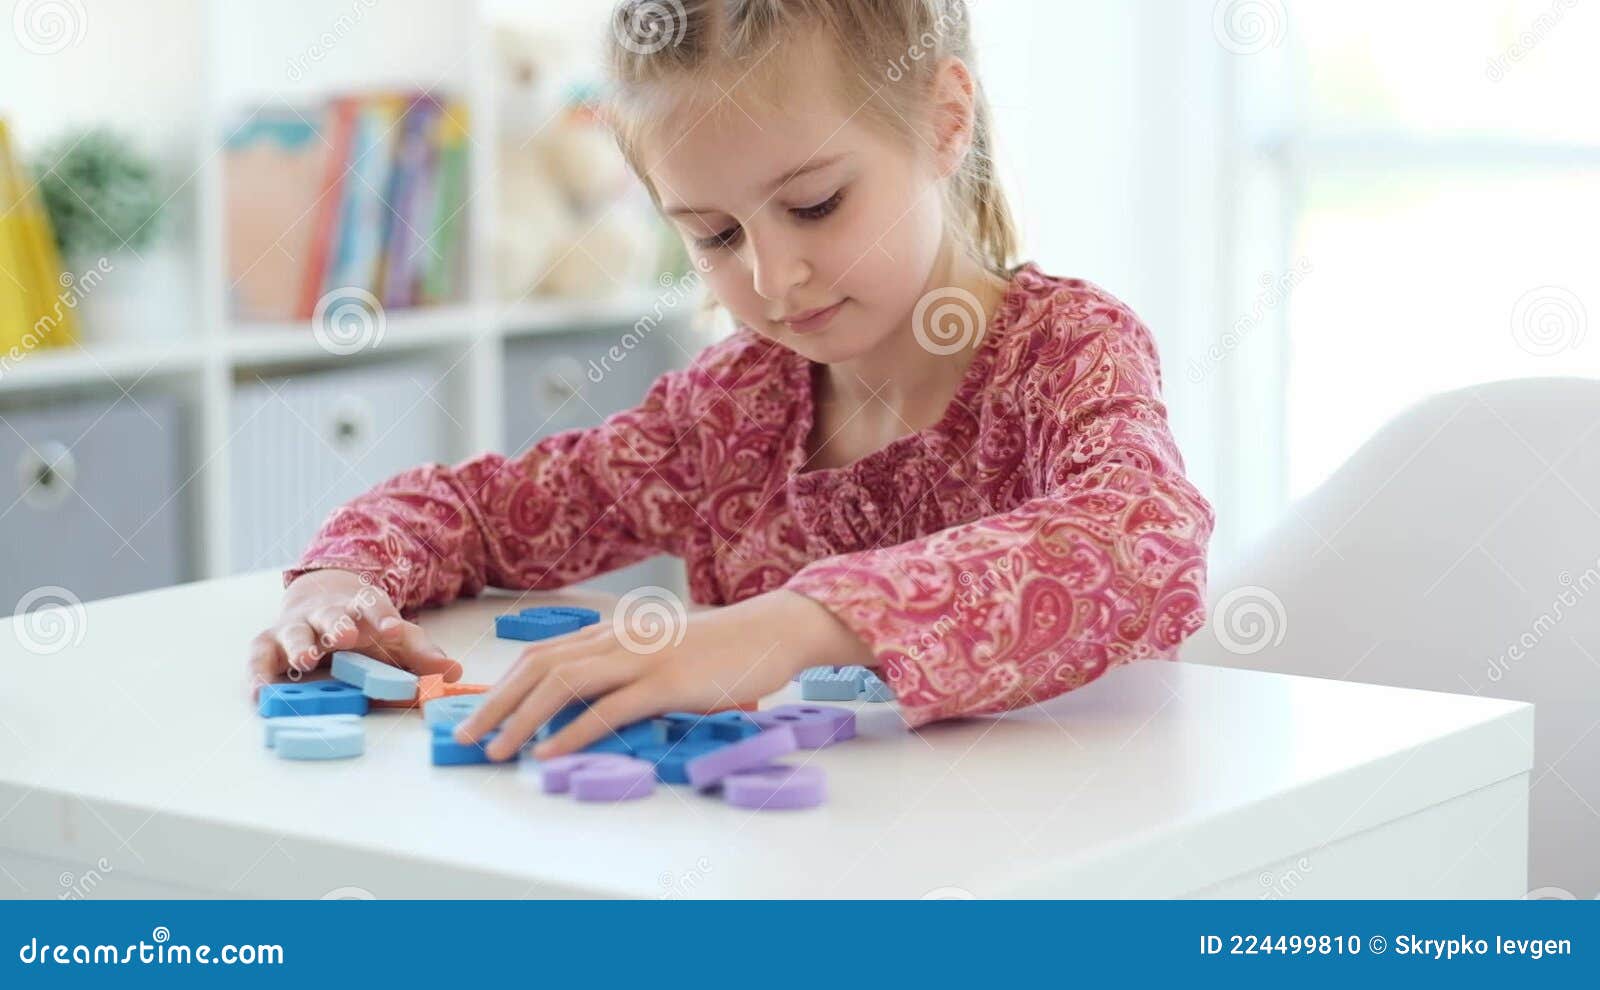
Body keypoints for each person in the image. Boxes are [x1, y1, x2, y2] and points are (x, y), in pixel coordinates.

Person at [249, 0, 1215, 763]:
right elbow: (482, 508)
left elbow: (1146, 540)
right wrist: (343, 580)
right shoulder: (731, 409)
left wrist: (789, 628)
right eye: (713, 235)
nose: (771, 276)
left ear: (944, 121)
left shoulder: (1062, 353)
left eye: (815, 203)